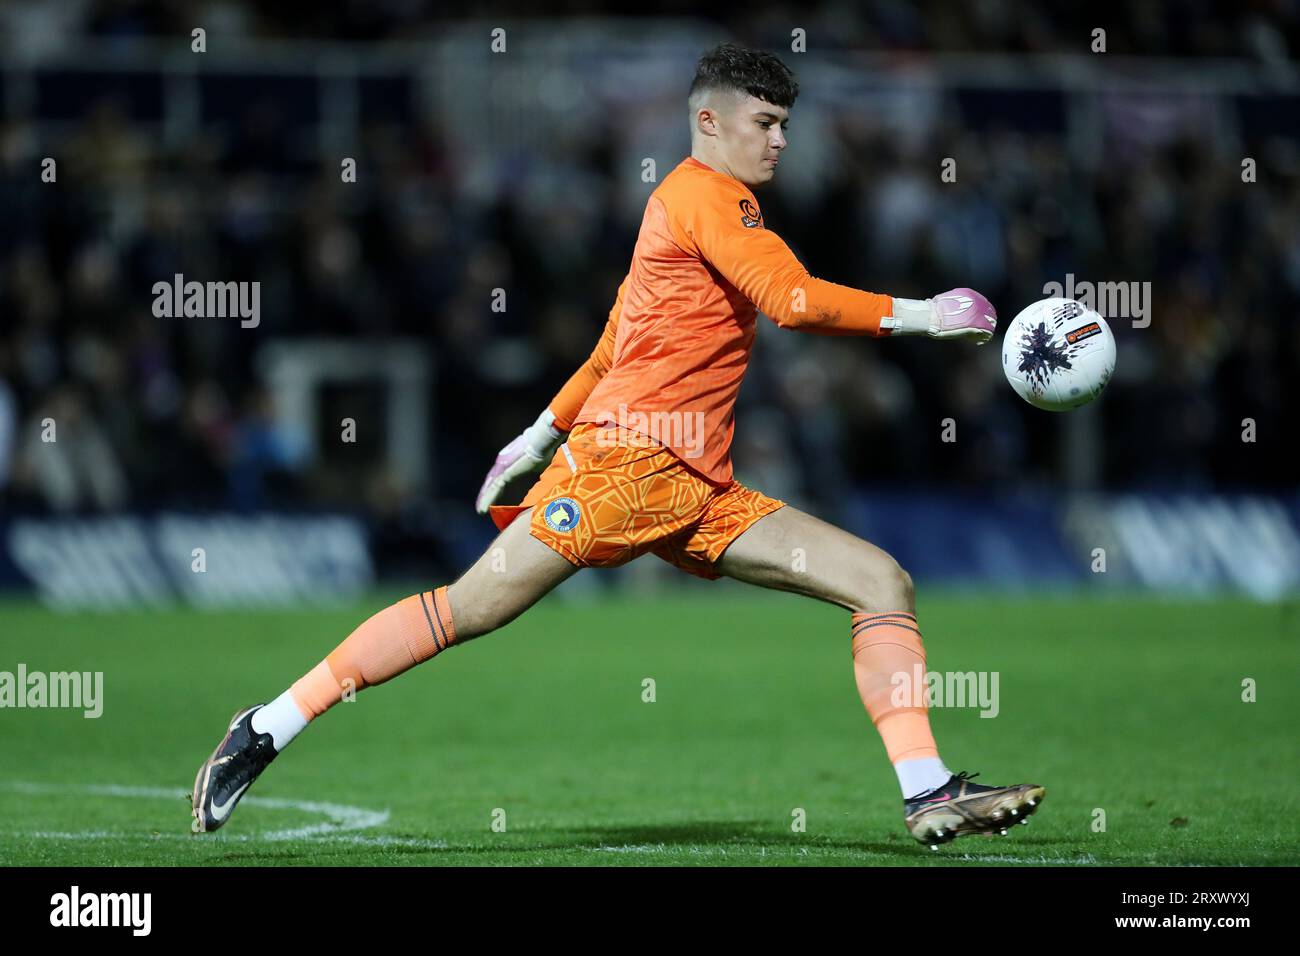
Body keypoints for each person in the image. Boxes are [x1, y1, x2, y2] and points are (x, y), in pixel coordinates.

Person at [192, 42, 1043, 848]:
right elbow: (791, 301)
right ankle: (265, 726)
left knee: (879, 578)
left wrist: (533, 434)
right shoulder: (710, 199)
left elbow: (611, 351)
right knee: (468, 609)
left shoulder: (679, 207)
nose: (781, 140)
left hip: (698, 487)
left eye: (785, 124)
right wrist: (929, 315)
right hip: (627, 468)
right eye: (765, 122)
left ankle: (928, 788)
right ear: (710, 123)